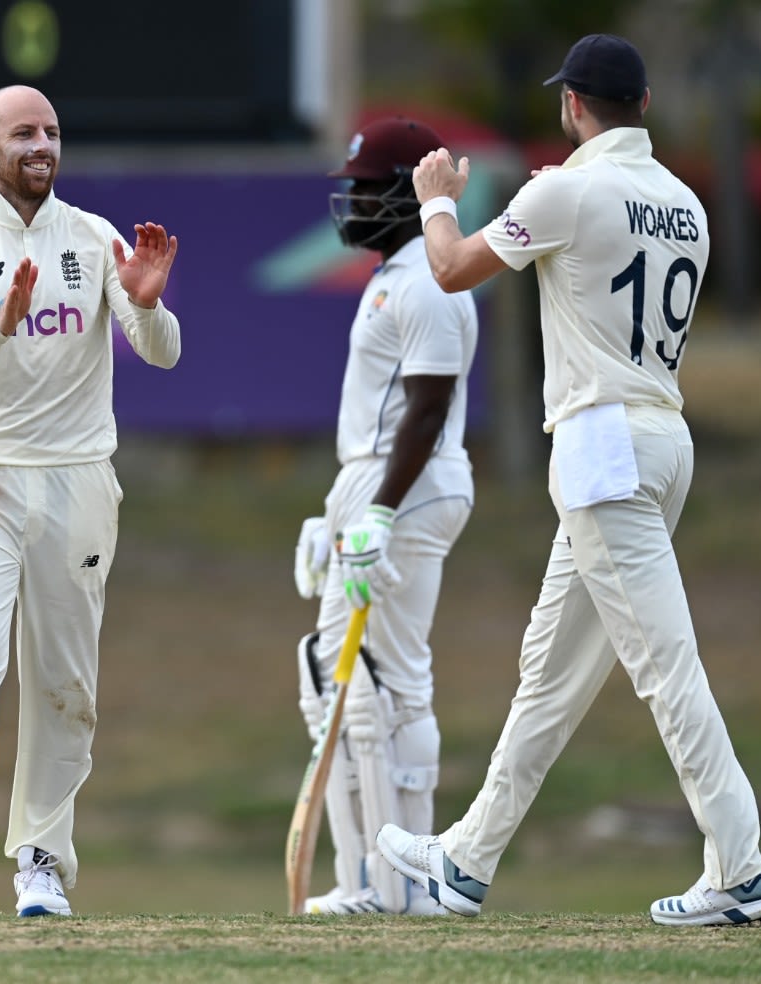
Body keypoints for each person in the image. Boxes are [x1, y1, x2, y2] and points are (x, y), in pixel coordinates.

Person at [374, 34, 761, 927]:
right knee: (550, 672)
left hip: (602, 445)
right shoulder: (685, 203)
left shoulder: (566, 187)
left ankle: (742, 868)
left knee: (665, 667)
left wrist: (436, 202)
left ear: (573, 106)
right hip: (664, 439)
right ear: (642, 104)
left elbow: (449, 271)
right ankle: (466, 860)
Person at [0, 85, 180, 918]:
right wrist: (1, 324)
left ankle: (41, 864)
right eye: (23, 133)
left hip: (76, 478)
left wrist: (150, 300)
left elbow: (161, 354)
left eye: (52, 132)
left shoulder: (94, 239)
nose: (42, 145)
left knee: (64, 681)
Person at [292, 117, 479, 915]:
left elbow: (427, 413)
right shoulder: (397, 273)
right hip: (378, 484)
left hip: (410, 485)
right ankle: (374, 879)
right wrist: (338, 514)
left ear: (409, 193)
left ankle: (396, 885)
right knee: (336, 676)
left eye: (370, 189)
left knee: (378, 681)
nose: (355, 202)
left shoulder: (429, 280)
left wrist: (376, 516)